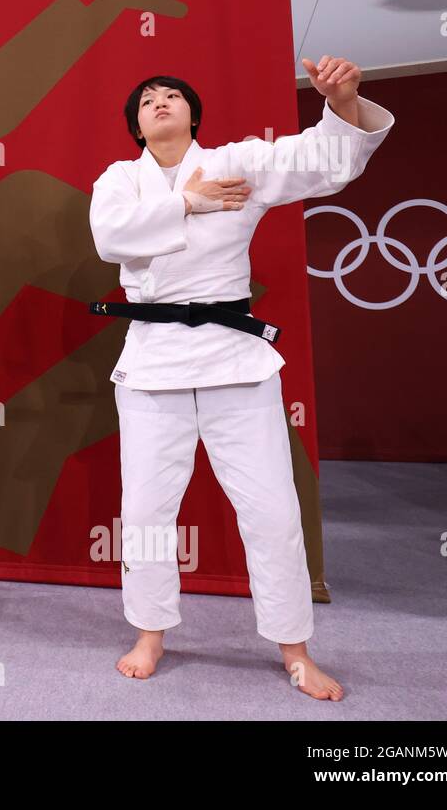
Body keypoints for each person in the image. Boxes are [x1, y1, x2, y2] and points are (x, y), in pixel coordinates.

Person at [87, 56, 394, 700]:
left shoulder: (237, 162)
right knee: (144, 510)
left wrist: (342, 104)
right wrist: (186, 204)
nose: (160, 101)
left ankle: (294, 647)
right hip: (152, 359)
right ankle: (149, 632)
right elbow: (109, 237)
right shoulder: (119, 178)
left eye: (173, 94)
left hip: (234, 357)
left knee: (272, 507)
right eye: (148, 99)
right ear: (138, 126)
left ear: (193, 115)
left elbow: (321, 162)